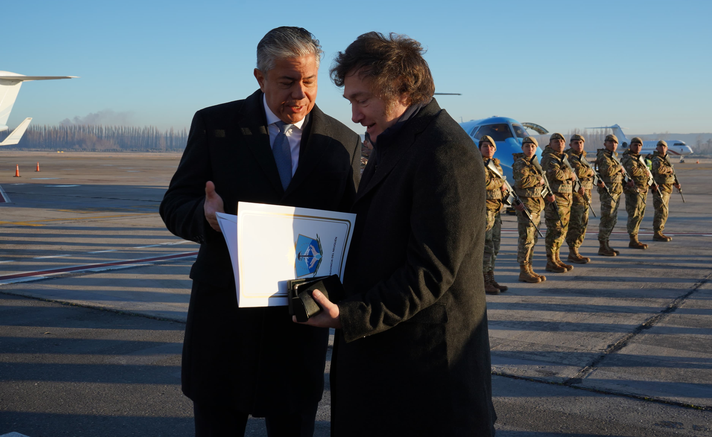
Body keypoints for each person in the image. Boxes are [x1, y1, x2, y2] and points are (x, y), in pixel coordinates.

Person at [159, 27, 361, 437]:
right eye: (287, 82)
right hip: (224, 321)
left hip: (300, 322)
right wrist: (205, 215)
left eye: (309, 81)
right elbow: (173, 205)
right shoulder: (216, 126)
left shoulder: (342, 142)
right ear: (259, 77)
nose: (300, 94)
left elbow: (351, 228)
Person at [298, 32, 496, 436]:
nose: (354, 115)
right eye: (350, 100)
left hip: (423, 376)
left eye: (361, 99)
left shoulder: (444, 151)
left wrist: (351, 315)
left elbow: (430, 271)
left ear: (403, 90)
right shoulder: (396, 140)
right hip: (387, 358)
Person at [540, 132, 580, 273]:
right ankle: (551, 261)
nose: (560, 144)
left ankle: (556, 259)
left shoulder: (563, 158)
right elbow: (555, 174)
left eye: (562, 142)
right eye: (556, 142)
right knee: (554, 231)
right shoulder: (549, 158)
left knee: (562, 231)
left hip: (566, 200)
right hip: (555, 200)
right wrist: (570, 174)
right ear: (550, 144)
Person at [512, 136, 547, 283]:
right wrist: (538, 180)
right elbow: (522, 182)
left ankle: (529, 268)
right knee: (526, 239)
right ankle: (523, 270)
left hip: (536, 206)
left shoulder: (534, 164)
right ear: (522, 148)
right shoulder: (520, 163)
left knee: (532, 239)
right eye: (527, 146)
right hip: (526, 207)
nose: (530, 148)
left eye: (533, 146)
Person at [480, 134, 508, 294]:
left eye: (491, 147)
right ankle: (483, 281)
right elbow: (484, 183)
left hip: (496, 211)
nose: (488, 149)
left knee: (495, 247)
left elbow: (500, 187)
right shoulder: (479, 163)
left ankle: (491, 278)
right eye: (485, 146)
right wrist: (501, 182)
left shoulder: (497, 166)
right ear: (480, 148)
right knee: (486, 247)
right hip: (485, 211)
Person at [564, 134, 596, 264]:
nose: (579, 145)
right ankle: (573, 251)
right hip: (576, 197)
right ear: (571, 145)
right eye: (576, 143)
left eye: (581, 143)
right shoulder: (570, 158)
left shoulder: (582, 158)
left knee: (583, 224)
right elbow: (578, 171)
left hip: (585, 195)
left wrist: (587, 170)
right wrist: (589, 171)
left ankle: (576, 249)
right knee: (575, 224)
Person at [596, 133, 627, 256]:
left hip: (615, 192)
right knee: (607, 219)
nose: (613, 145)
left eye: (615, 143)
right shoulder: (603, 156)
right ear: (605, 144)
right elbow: (607, 171)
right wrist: (619, 168)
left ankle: (606, 244)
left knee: (612, 220)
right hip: (608, 193)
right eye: (610, 142)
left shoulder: (613, 157)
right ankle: (602, 246)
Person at [621, 137, 651, 249]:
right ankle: (633, 240)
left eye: (639, 145)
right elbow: (632, 170)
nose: (637, 147)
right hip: (633, 191)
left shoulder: (639, 158)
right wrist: (645, 171)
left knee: (639, 215)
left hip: (642, 190)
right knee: (634, 215)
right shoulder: (628, 158)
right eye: (635, 145)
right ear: (630, 146)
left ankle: (635, 238)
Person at [651, 139, 681, 241]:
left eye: (664, 146)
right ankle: (657, 232)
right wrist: (669, 169)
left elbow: (671, 173)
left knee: (665, 211)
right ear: (657, 148)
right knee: (661, 210)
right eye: (660, 146)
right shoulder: (656, 159)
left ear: (667, 148)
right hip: (661, 188)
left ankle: (660, 231)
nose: (662, 148)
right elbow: (658, 170)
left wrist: (675, 183)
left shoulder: (666, 159)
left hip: (668, 188)